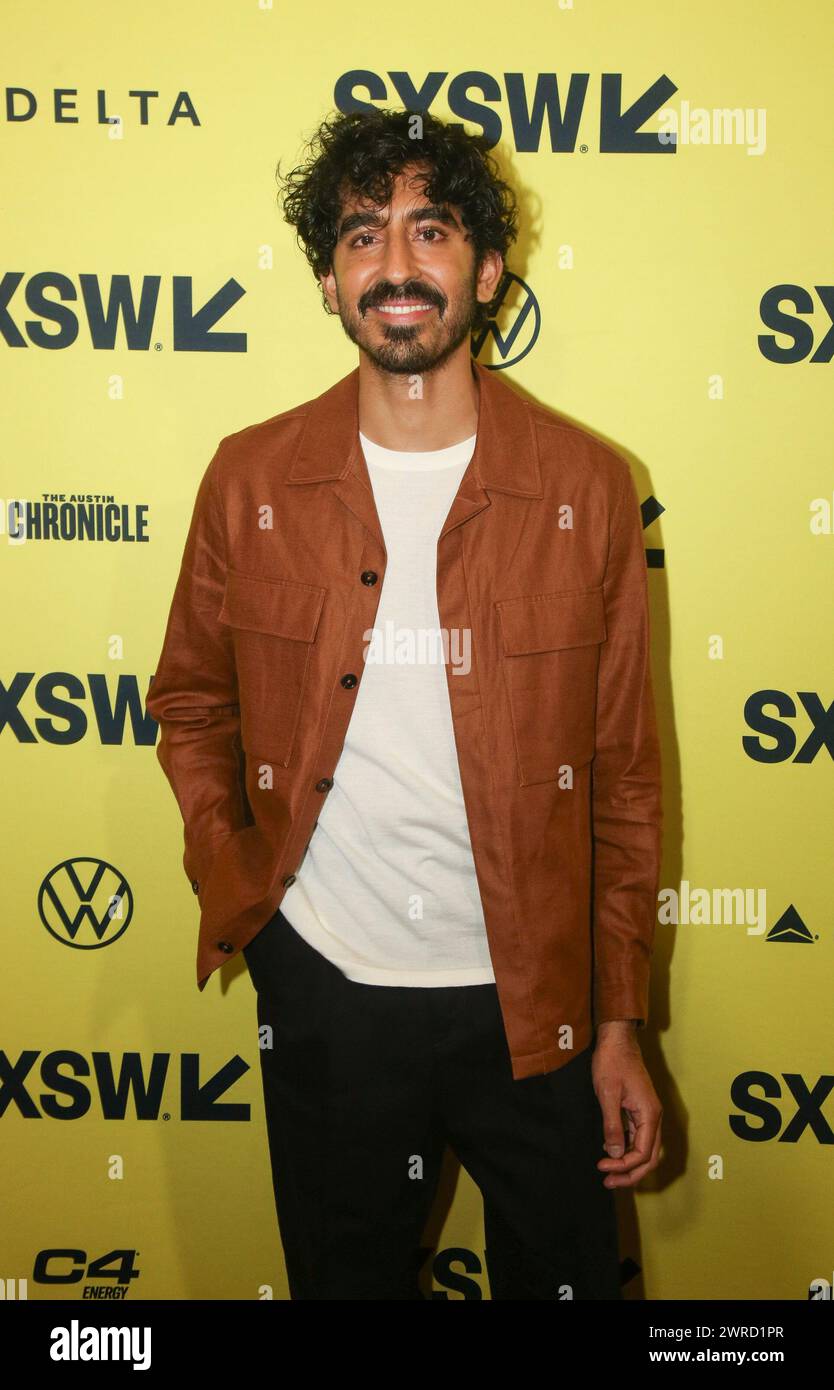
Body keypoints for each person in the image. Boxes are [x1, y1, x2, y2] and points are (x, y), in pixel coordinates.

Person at [145, 107, 664, 1300]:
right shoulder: (251, 475)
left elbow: (624, 775)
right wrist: (242, 889)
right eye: (362, 235)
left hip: (539, 1009)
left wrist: (621, 1021)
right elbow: (189, 698)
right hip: (326, 993)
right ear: (330, 281)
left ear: (486, 270)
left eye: (430, 230)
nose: (395, 264)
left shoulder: (587, 485)